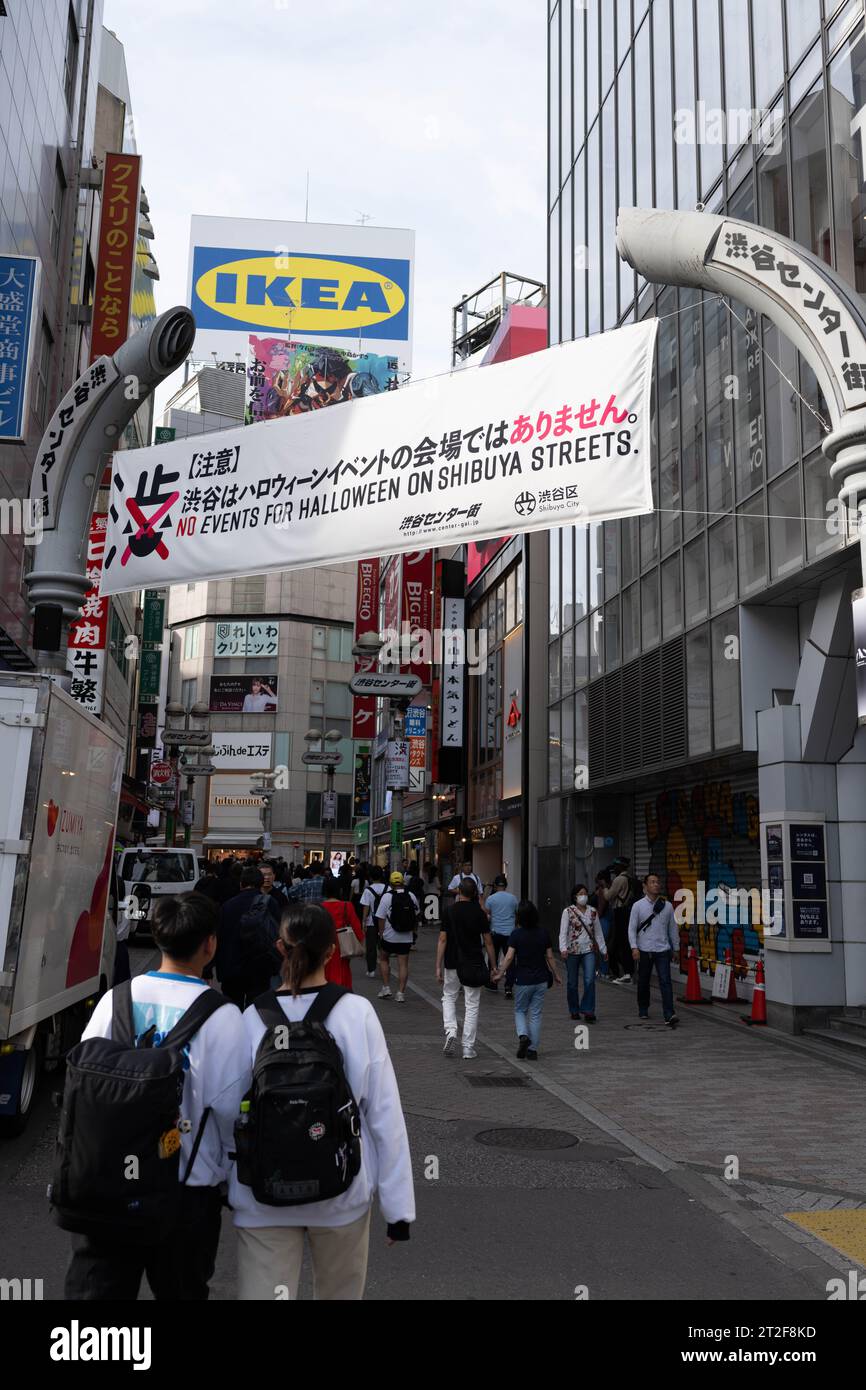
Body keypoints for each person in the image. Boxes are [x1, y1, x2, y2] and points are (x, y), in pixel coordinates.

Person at [64, 894, 250, 1300]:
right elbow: (230, 1111)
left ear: (160, 936)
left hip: (104, 1185)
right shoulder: (223, 1016)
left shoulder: (115, 999)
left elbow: (83, 1079)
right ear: (210, 944)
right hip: (186, 1190)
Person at [231, 902, 414, 1300]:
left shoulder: (251, 1016)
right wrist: (398, 1211)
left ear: (280, 947)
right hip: (341, 1191)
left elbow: (230, 1110)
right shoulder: (356, 1012)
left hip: (262, 1196)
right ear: (333, 951)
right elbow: (384, 1113)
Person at [436, 877, 496, 1060]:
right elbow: (488, 942)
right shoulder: (480, 914)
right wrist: (493, 965)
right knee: (472, 1004)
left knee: (449, 996)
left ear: (459, 892)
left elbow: (442, 939)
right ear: (475, 894)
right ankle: (468, 1048)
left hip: (452, 961)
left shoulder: (449, 911)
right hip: (473, 962)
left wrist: (437, 965)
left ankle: (451, 1030)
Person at [493, 900, 561, 1060]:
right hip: (541, 979)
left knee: (520, 1010)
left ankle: (523, 1035)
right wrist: (556, 974)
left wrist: (500, 973)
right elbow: (550, 956)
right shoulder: (543, 933)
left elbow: (509, 957)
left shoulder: (516, 934)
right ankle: (532, 1050)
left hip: (522, 979)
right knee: (536, 1014)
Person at [215, 866, 282, 1009]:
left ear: (241, 883)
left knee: (233, 1010)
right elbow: (278, 933)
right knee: (258, 1011)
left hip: (232, 967)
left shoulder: (228, 905)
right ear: (260, 884)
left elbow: (219, 937)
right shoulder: (270, 903)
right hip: (261, 966)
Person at [629, 873, 680, 1027]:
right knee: (643, 981)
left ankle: (669, 1013)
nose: (656, 884)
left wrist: (676, 948)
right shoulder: (638, 906)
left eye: (657, 882)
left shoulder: (668, 906)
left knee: (665, 981)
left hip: (662, 949)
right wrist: (634, 947)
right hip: (644, 950)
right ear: (645, 886)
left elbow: (673, 928)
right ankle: (643, 1007)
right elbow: (631, 929)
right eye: (652, 882)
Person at [559, 884, 608, 1022]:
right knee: (572, 983)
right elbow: (563, 932)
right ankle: (574, 1009)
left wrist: (604, 949)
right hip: (572, 950)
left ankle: (588, 1010)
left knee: (589, 980)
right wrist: (563, 948)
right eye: (581, 893)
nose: (583, 896)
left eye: (585, 893)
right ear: (575, 896)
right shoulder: (568, 911)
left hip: (589, 950)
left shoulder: (593, 912)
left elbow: (598, 933)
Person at [375, 871, 420, 1002]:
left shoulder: (386, 897)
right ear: (402, 882)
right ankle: (400, 993)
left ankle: (386, 987)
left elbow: (380, 918)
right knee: (403, 964)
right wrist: (414, 931)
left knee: (383, 959)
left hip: (389, 936)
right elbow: (417, 914)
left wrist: (381, 933)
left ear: (390, 883)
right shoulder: (410, 895)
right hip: (406, 936)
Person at [321, 873, 364, 989]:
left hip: (323, 948)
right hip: (343, 948)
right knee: (342, 976)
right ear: (339, 890)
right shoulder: (347, 906)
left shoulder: (319, 908)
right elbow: (357, 930)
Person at [484, 874, 519, 997]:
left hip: (495, 932)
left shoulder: (491, 899)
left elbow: (487, 914)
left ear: (495, 885)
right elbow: (517, 913)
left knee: (492, 958)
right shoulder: (513, 898)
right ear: (505, 885)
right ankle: (509, 986)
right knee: (510, 960)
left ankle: (492, 983)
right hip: (510, 934)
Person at [607, 857, 637, 983]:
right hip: (627, 913)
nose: (614, 868)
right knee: (623, 943)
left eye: (616, 866)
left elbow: (609, 896)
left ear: (621, 867)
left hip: (620, 913)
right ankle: (627, 972)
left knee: (621, 944)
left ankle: (627, 973)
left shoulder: (619, 879)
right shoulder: (629, 878)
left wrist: (604, 887)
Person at [359, 866, 386, 979]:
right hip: (385, 922)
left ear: (370, 877)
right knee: (384, 946)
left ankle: (371, 970)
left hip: (371, 922)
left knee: (371, 947)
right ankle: (385, 967)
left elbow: (366, 907)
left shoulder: (368, 890)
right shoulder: (388, 888)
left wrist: (363, 921)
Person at [590, 871, 612, 979]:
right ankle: (602, 970)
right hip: (604, 919)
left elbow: (601, 907)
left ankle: (602, 970)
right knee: (601, 944)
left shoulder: (602, 890)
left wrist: (595, 919)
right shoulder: (604, 889)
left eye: (598, 878)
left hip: (602, 919)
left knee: (600, 945)